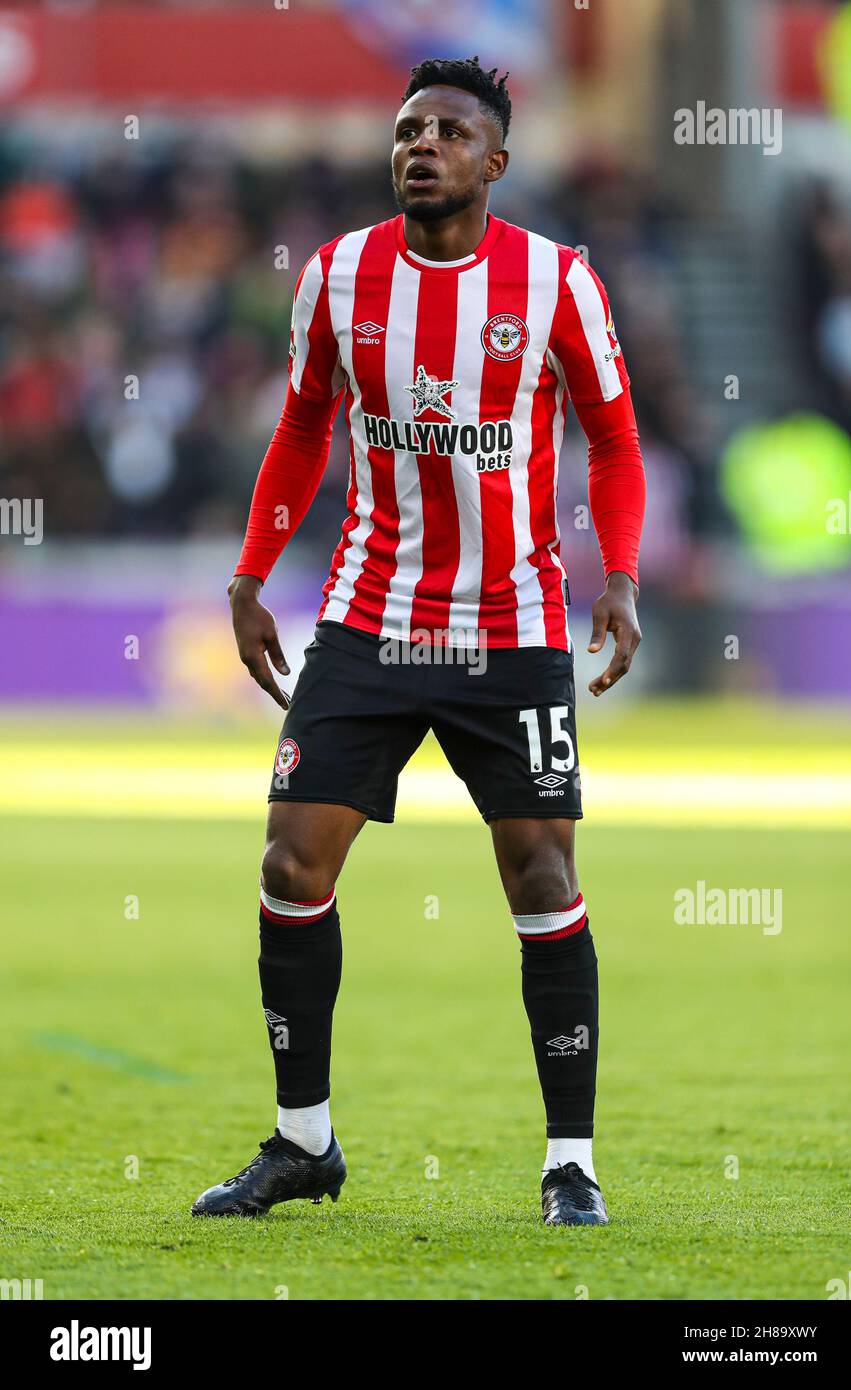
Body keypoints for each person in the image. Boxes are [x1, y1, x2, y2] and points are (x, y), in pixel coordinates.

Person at [192, 56, 645, 1227]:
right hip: (369, 617)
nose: (420, 146)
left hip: (513, 624)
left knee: (543, 878)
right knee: (291, 863)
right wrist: (249, 576)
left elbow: (616, 437)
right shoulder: (338, 277)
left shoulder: (556, 283)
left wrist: (623, 576)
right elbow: (300, 430)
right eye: (407, 130)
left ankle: (572, 1162)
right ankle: (305, 1142)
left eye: (447, 131)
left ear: (495, 161)